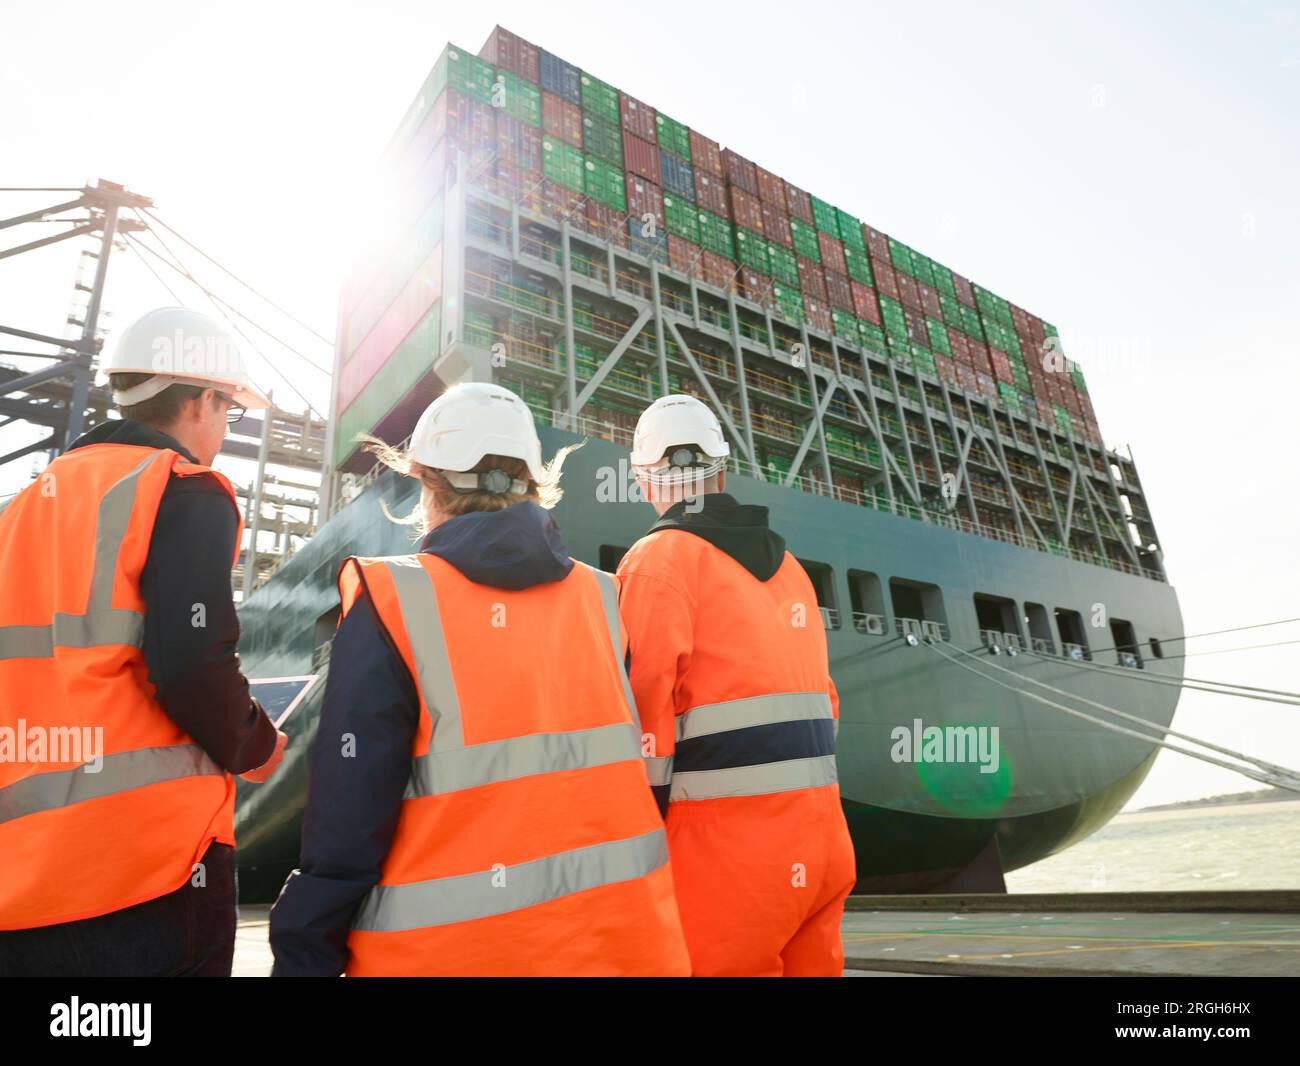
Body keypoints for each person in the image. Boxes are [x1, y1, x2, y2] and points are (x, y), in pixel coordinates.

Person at [269, 381, 690, 977]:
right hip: (623, 947)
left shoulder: (394, 599)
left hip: (452, 956)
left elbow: (349, 817)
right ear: (533, 483)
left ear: (427, 484)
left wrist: (303, 955)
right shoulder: (603, 597)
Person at [0, 306, 287, 976]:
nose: (223, 429)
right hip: (146, 870)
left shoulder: (16, 512)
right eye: (228, 411)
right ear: (204, 399)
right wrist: (257, 743)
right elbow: (191, 665)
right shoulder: (181, 489)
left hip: (19, 877)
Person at [616, 394, 856, 977]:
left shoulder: (658, 562)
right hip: (822, 846)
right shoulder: (790, 569)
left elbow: (643, 721)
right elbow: (824, 700)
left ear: (646, 480)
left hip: (727, 862)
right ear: (721, 471)